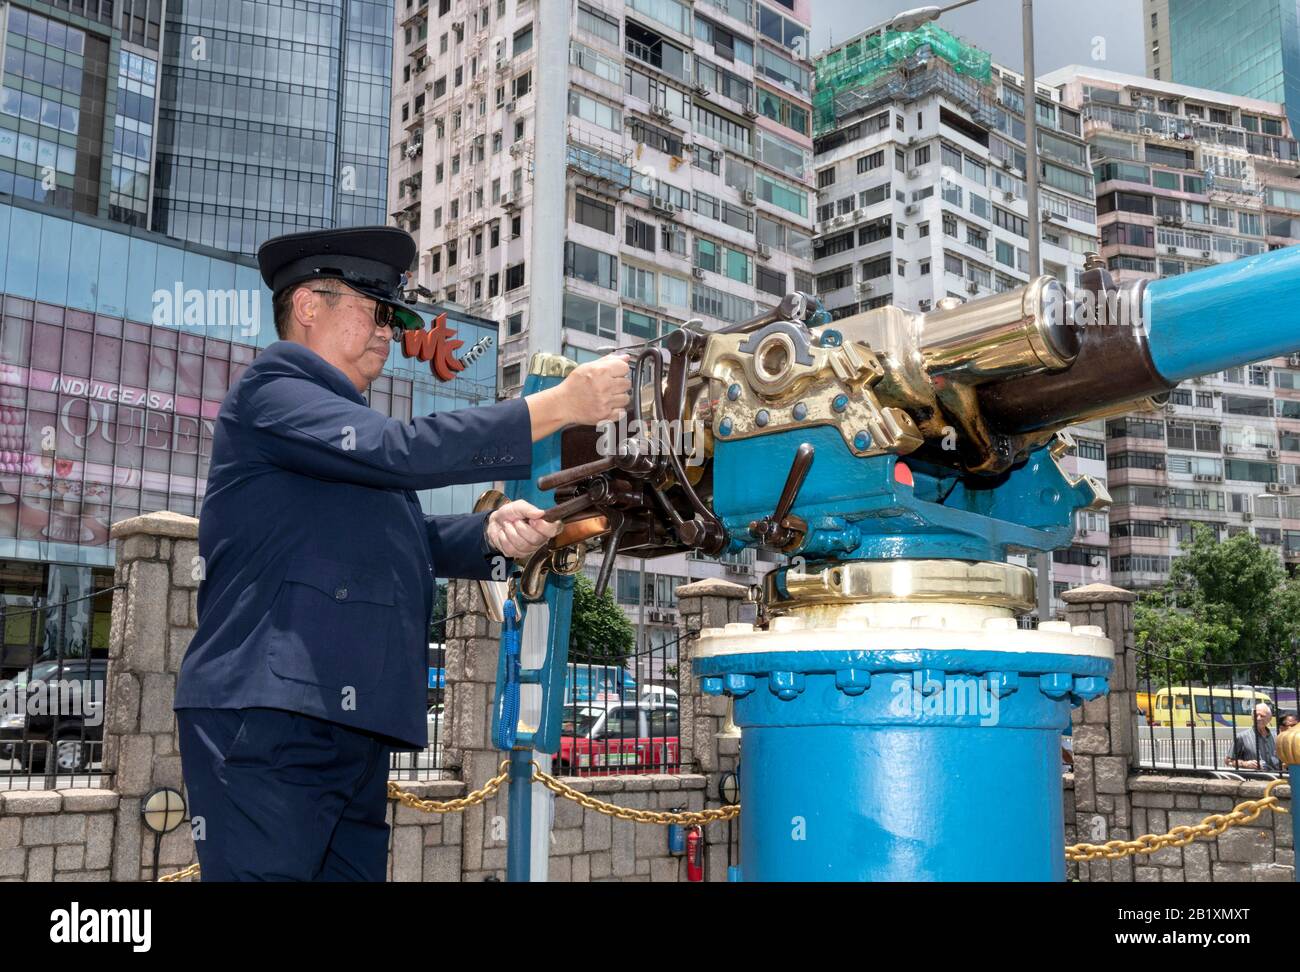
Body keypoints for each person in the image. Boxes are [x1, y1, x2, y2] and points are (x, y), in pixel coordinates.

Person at [173, 226, 631, 881]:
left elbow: (411, 541)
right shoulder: (275, 391)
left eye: (394, 316)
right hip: (272, 714)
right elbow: (401, 449)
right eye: (374, 308)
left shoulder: (337, 429)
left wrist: (497, 535)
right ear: (308, 306)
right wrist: (559, 406)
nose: (389, 331)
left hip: (343, 721)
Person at [1226, 702, 1281, 772]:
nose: (1258, 718)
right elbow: (1228, 761)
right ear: (1252, 717)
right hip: (1254, 779)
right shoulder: (1242, 737)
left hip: (1276, 778)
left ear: (1269, 718)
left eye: (1262, 716)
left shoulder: (1276, 737)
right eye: (1256, 715)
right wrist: (1245, 764)